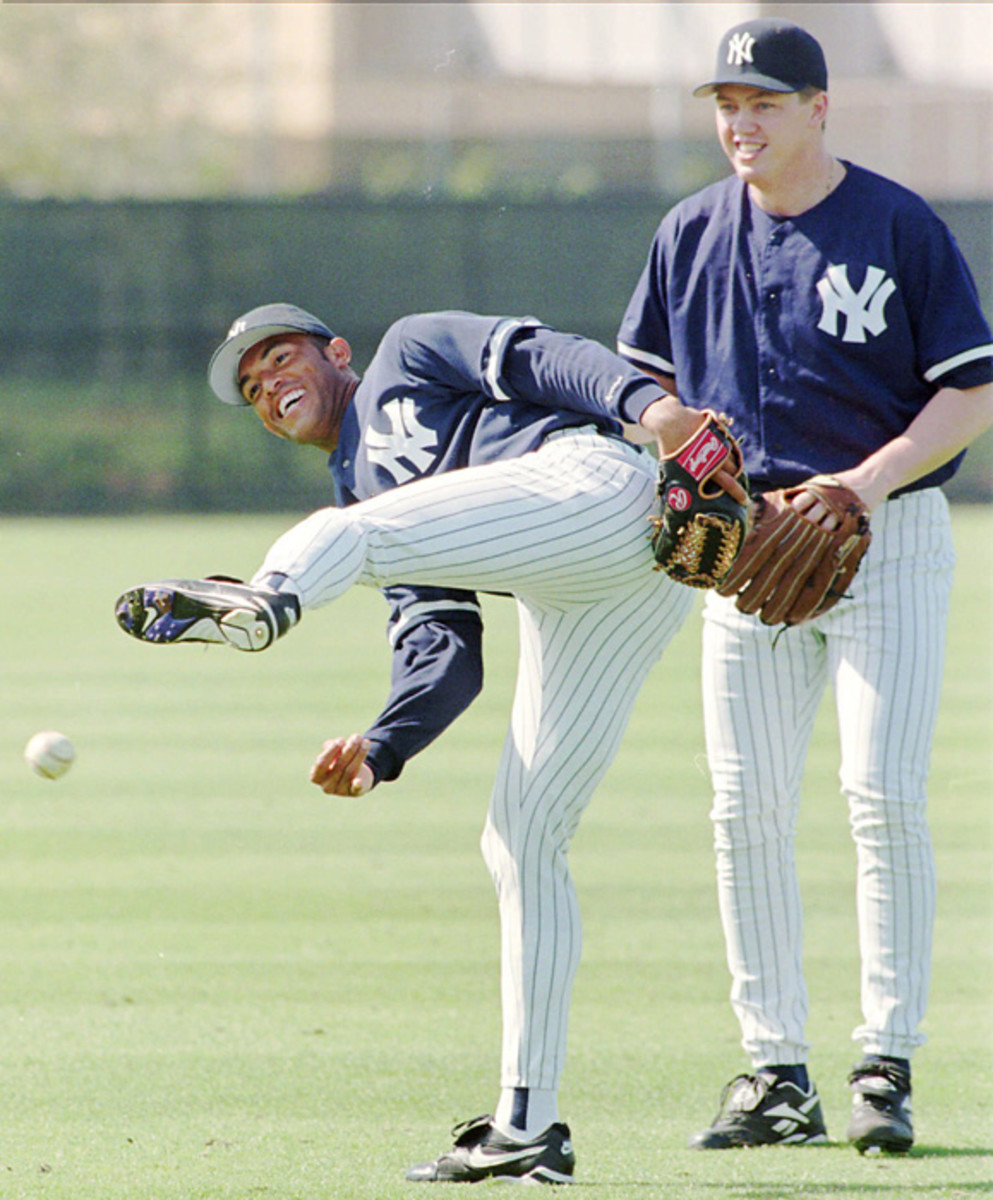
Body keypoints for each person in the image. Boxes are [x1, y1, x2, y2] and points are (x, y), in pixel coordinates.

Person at [115, 302, 745, 1183]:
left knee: (344, 535)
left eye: (280, 358)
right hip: (605, 588)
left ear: (337, 352)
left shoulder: (409, 352)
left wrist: (654, 409)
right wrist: (384, 746)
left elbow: (541, 358)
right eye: (252, 388)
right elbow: (444, 647)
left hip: (592, 485)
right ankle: (528, 1126)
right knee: (521, 838)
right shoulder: (360, 488)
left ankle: (266, 595)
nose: (268, 386)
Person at [618, 17, 993, 1155]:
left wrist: (863, 485)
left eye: (764, 103)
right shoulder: (688, 233)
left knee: (881, 797)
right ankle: (775, 1071)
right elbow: (641, 393)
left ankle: (887, 1060)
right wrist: (687, 473)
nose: (741, 122)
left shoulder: (896, 223)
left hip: (887, 535)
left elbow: (971, 390)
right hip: (748, 551)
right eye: (727, 104)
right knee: (744, 809)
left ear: (818, 108)